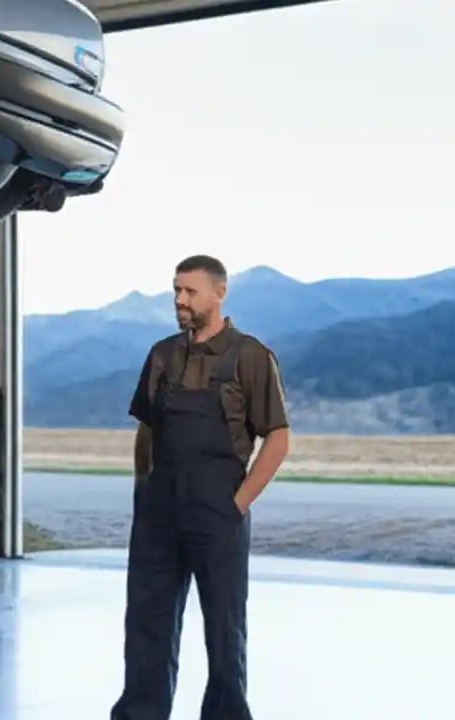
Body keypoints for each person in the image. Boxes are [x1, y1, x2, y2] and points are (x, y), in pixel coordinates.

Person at [111, 255, 291, 720]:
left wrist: (238, 504)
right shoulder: (162, 355)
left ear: (219, 293)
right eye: (176, 291)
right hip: (159, 511)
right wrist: (142, 493)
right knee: (147, 623)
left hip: (218, 511)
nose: (179, 301)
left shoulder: (250, 356)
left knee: (224, 629)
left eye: (189, 292)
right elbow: (147, 430)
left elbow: (278, 436)